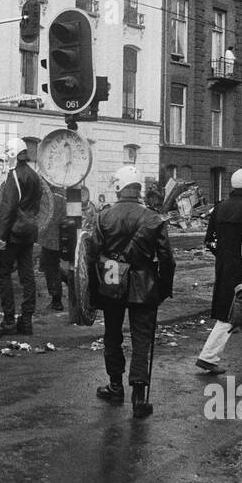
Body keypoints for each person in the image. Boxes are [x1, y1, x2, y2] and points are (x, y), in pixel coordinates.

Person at [92, 165, 175, 417]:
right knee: (142, 339)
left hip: (112, 278)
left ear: (119, 187)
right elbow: (167, 259)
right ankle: (139, 397)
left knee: (112, 334)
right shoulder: (153, 218)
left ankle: (115, 386)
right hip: (143, 281)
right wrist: (161, 289)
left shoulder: (103, 216)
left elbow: (94, 254)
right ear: (139, 188)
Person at [196, 166, 242, 375]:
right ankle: (208, 356)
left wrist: (222, 255)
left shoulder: (220, 208)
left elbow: (209, 241)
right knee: (234, 313)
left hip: (224, 267)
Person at [0, 137, 41, 336]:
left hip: (14, 233)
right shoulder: (34, 175)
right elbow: (37, 205)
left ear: (13, 154)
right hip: (29, 231)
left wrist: (1, 235)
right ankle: (26, 320)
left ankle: (9, 320)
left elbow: (8, 208)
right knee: (27, 275)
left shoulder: (14, 175)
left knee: (4, 273)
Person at [38, 186, 68, 312]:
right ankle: (71, 282)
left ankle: (57, 300)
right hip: (58, 237)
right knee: (47, 265)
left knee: (51, 268)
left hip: (52, 238)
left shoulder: (51, 198)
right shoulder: (61, 196)